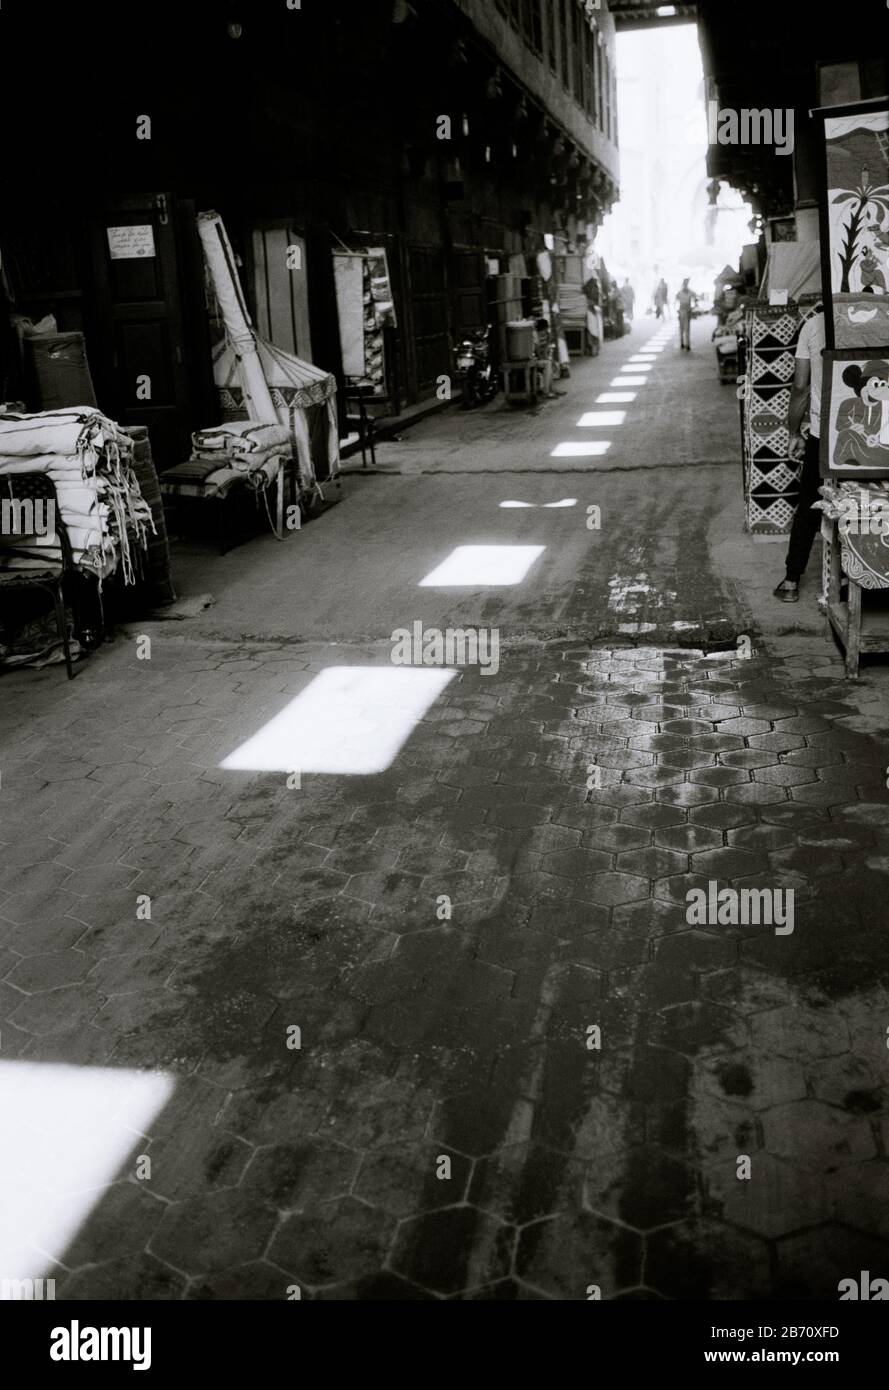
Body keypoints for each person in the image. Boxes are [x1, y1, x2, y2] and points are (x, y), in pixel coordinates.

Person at [773, 307, 826, 603]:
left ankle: (792, 580)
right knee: (868, 504)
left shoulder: (813, 325)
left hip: (825, 434)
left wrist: (793, 431)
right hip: (878, 435)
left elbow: (800, 386)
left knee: (809, 504)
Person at [676, 279, 696, 350]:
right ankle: (682, 342)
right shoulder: (679, 293)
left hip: (687, 311)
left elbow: (695, 299)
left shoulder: (690, 292)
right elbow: (676, 302)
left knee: (687, 328)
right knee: (681, 328)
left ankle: (687, 344)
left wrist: (692, 308)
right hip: (681, 311)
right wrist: (677, 310)